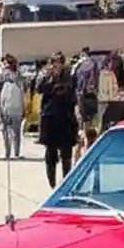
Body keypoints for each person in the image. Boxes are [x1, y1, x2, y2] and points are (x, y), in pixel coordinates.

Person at [36, 53, 77, 188]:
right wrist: (50, 78)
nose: (57, 65)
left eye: (59, 62)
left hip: (66, 117)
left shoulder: (69, 75)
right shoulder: (46, 74)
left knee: (66, 154)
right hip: (50, 117)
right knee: (51, 154)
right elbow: (38, 88)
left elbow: (72, 92)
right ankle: (52, 184)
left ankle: (66, 183)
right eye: (54, 62)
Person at [0, 53, 26, 159]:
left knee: (6, 131)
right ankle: (16, 153)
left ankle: (8, 153)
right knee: (16, 131)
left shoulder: (1, 77)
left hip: (5, 106)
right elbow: (24, 93)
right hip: (17, 107)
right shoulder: (20, 77)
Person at [99, 51, 124, 131]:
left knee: (104, 122)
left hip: (104, 101)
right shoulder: (110, 74)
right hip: (111, 100)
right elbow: (114, 87)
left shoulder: (101, 74)